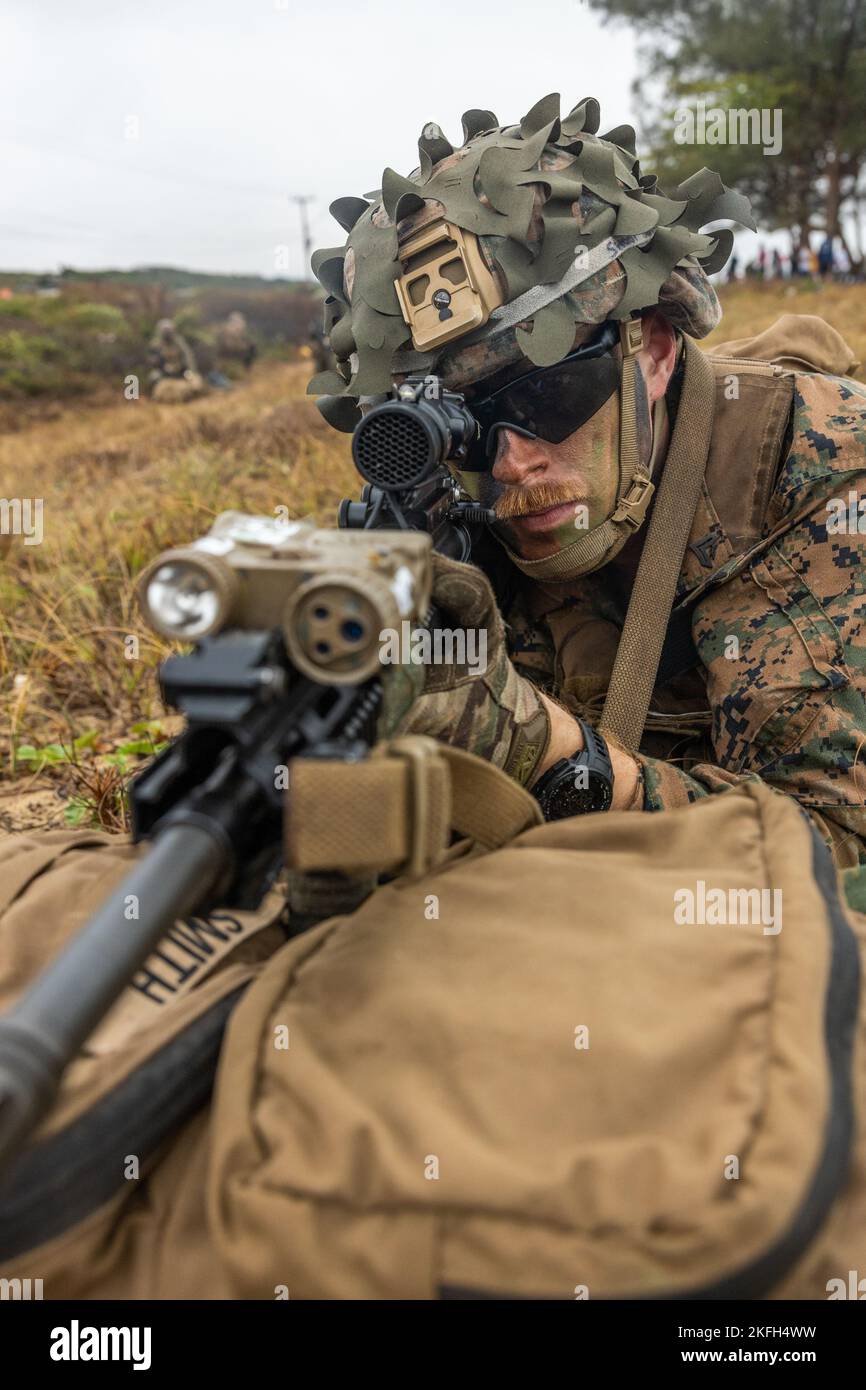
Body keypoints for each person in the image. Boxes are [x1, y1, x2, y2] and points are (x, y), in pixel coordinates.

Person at [310, 92, 866, 872]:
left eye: (546, 395)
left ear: (657, 349)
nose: (510, 464)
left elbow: (838, 861)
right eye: (464, 425)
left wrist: (548, 756)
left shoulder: (817, 466)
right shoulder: (452, 522)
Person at [146, 317, 207, 403]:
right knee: (153, 377)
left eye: (168, 331)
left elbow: (188, 357)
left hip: (181, 371)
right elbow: (152, 360)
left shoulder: (180, 343)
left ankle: (194, 397)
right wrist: (158, 363)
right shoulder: (156, 345)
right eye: (165, 331)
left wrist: (189, 370)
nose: (167, 333)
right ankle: (153, 396)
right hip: (164, 373)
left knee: (195, 381)